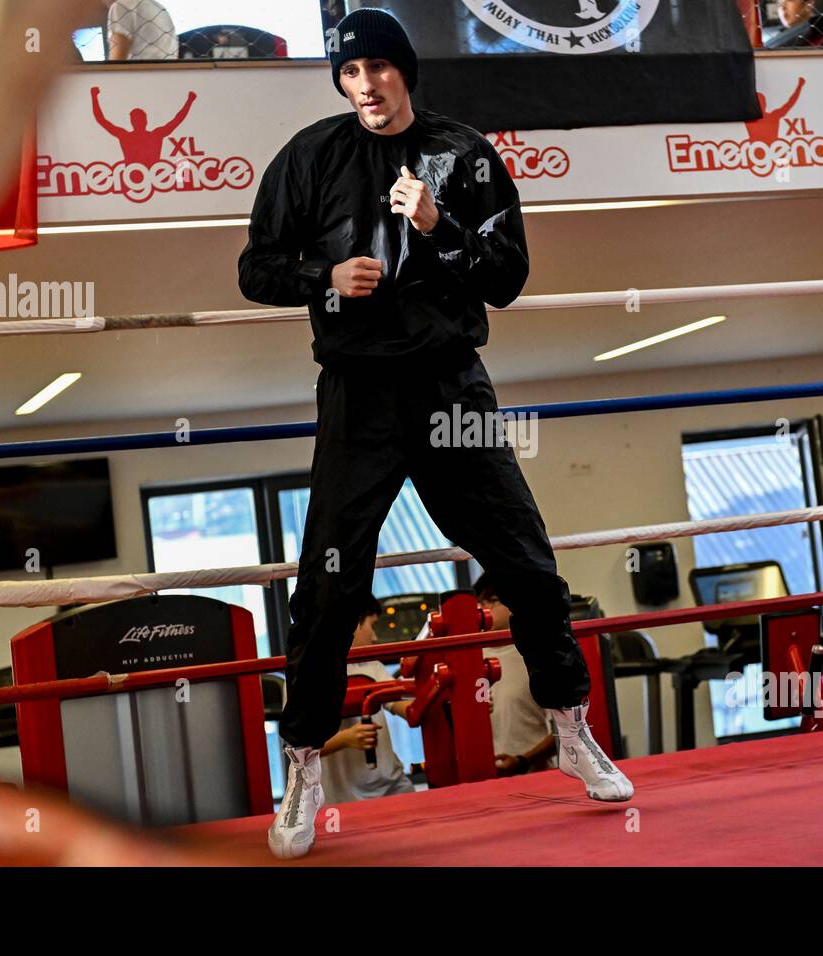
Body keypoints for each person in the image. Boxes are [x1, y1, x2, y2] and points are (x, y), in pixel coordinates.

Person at [238, 8, 632, 861]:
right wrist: (325, 276)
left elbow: (509, 279)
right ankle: (303, 765)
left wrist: (437, 228)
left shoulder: (465, 156)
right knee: (329, 588)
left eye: (378, 68)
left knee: (526, 562)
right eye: (349, 72)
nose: (365, 84)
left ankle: (569, 728)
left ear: (404, 72)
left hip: (451, 386)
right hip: (359, 395)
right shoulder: (310, 157)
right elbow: (254, 268)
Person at [316, 595, 417, 804]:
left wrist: (446, 699)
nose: (375, 638)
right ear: (353, 623)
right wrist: (345, 739)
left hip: (395, 787)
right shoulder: (308, 674)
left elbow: (406, 708)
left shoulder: (372, 665)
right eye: (372, 625)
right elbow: (298, 749)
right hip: (345, 799)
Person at [475, 573, 557, 776]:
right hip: (485, 778)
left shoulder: (538, 655)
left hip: (537, 775)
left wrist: (523, 760)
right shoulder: (468, 659)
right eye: (480, 601)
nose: (483, 608)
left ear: (515, 605)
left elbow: (567, 727)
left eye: (492, 601)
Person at [104, 0, 178, 61]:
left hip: (140, 77)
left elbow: (115, 64)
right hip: (169, 76)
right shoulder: (160, 8)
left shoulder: (120, 6)